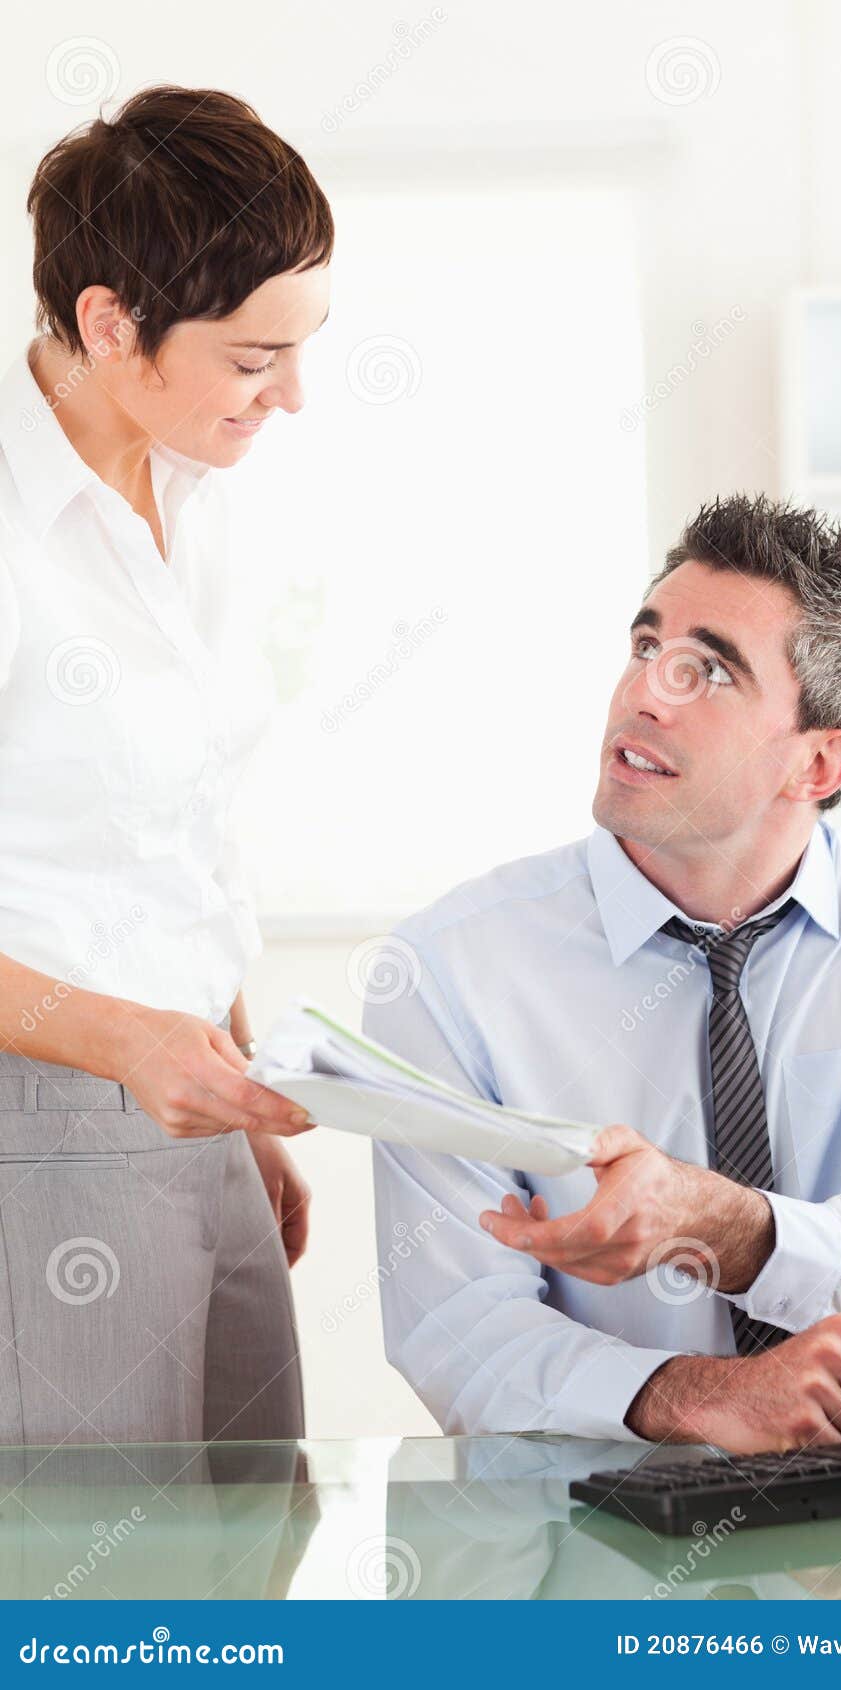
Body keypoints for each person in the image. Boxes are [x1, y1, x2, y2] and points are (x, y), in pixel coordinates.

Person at [367, 493, 841, 1450]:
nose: (645, 693)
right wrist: (702, 1396)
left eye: (708, 671)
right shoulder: (447, 969)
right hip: (592, 1541)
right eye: (645, 647)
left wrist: (732, 1229)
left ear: (817, 764)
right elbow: (457, 1332)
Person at [0, 86, 332, 1445]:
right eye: (256, 358)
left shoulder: (195, 506)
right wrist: (133, 1043)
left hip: (187, 1101)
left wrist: (228, 1073)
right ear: (105, 322)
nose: (292, 395)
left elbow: (171, 839)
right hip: (48, 1103)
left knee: (252, 1550)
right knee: (101, 1609)